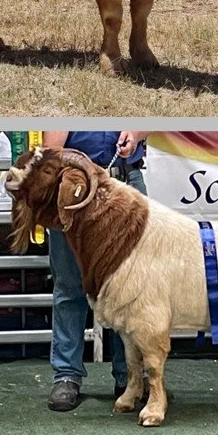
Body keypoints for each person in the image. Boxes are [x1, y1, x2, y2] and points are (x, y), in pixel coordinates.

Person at [42, 130, 151, 411]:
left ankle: (131, 377)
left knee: (129, 288)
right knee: (69, 284)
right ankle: (66, 375)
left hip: (126, 177)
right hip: (73, 184)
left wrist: (139, 132)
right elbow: (51, 146)